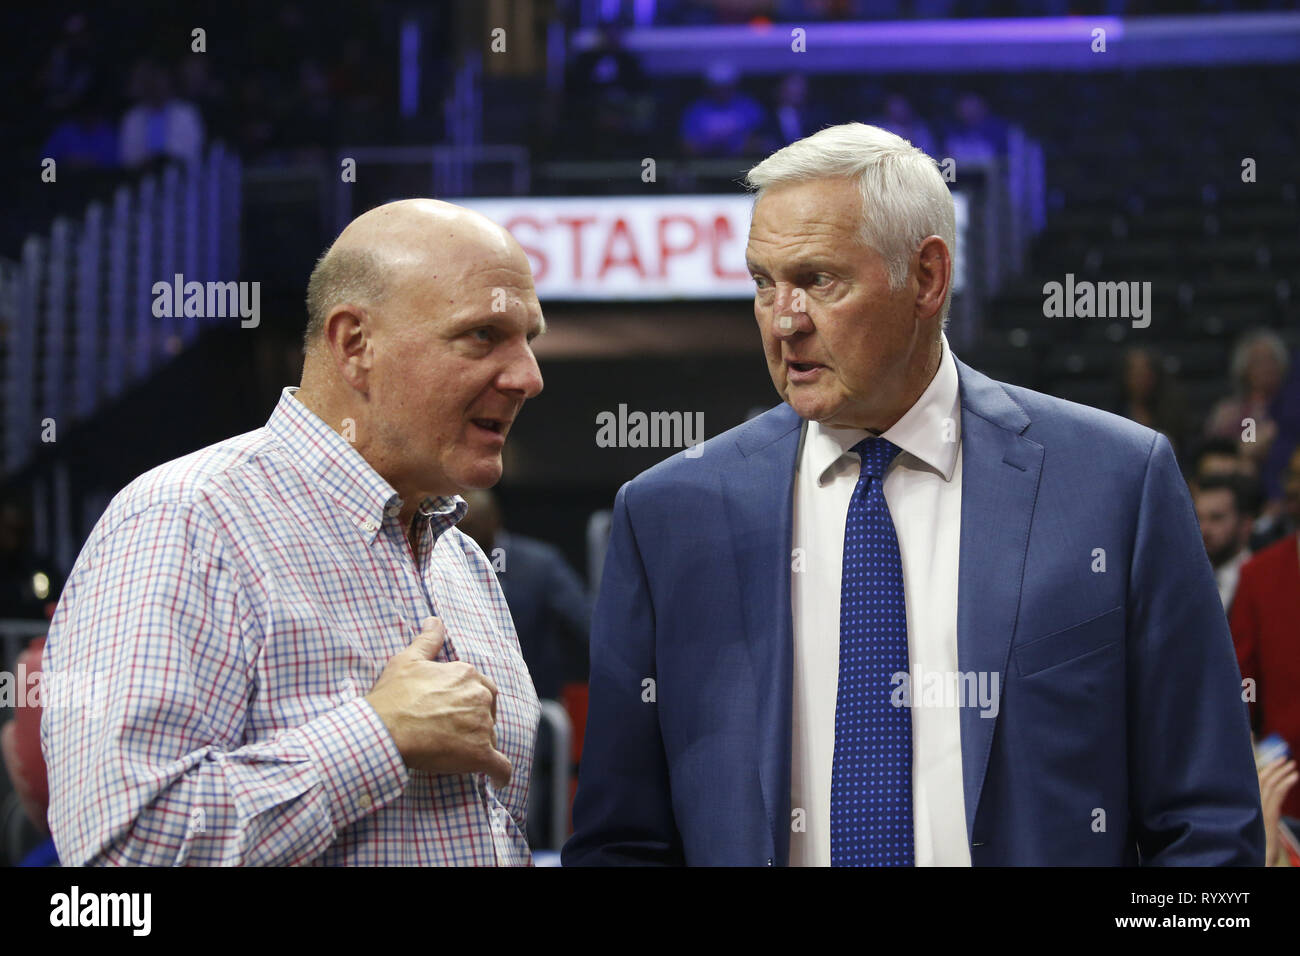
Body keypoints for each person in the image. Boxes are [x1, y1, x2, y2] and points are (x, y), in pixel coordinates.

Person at [564, 123, 1264, 866]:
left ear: (927, 278)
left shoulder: (1114, 482)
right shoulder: (668, 516)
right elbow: (620, 844)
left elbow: (1208, 826)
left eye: (818, 280)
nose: (784, 320)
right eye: (764, 283)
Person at [42, 199, 546, 866]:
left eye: (528, 339)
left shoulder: (463, 562)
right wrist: (379, 737)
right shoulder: (185, 520)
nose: (528, 377)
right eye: (483, 335)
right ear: (355, 345)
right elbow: (121, 850)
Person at [1230, 446, 1300, 826]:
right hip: (1286, 797)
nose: (1295, 486)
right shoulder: (1259, 575)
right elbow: (1242, 685)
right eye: (1292, 476)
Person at [1192, 473, 1256, 612]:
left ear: (1245, 525)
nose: (1204, 529)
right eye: (1198, 518)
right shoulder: (1186, 580)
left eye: (1216, 518)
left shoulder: (1264, 580)